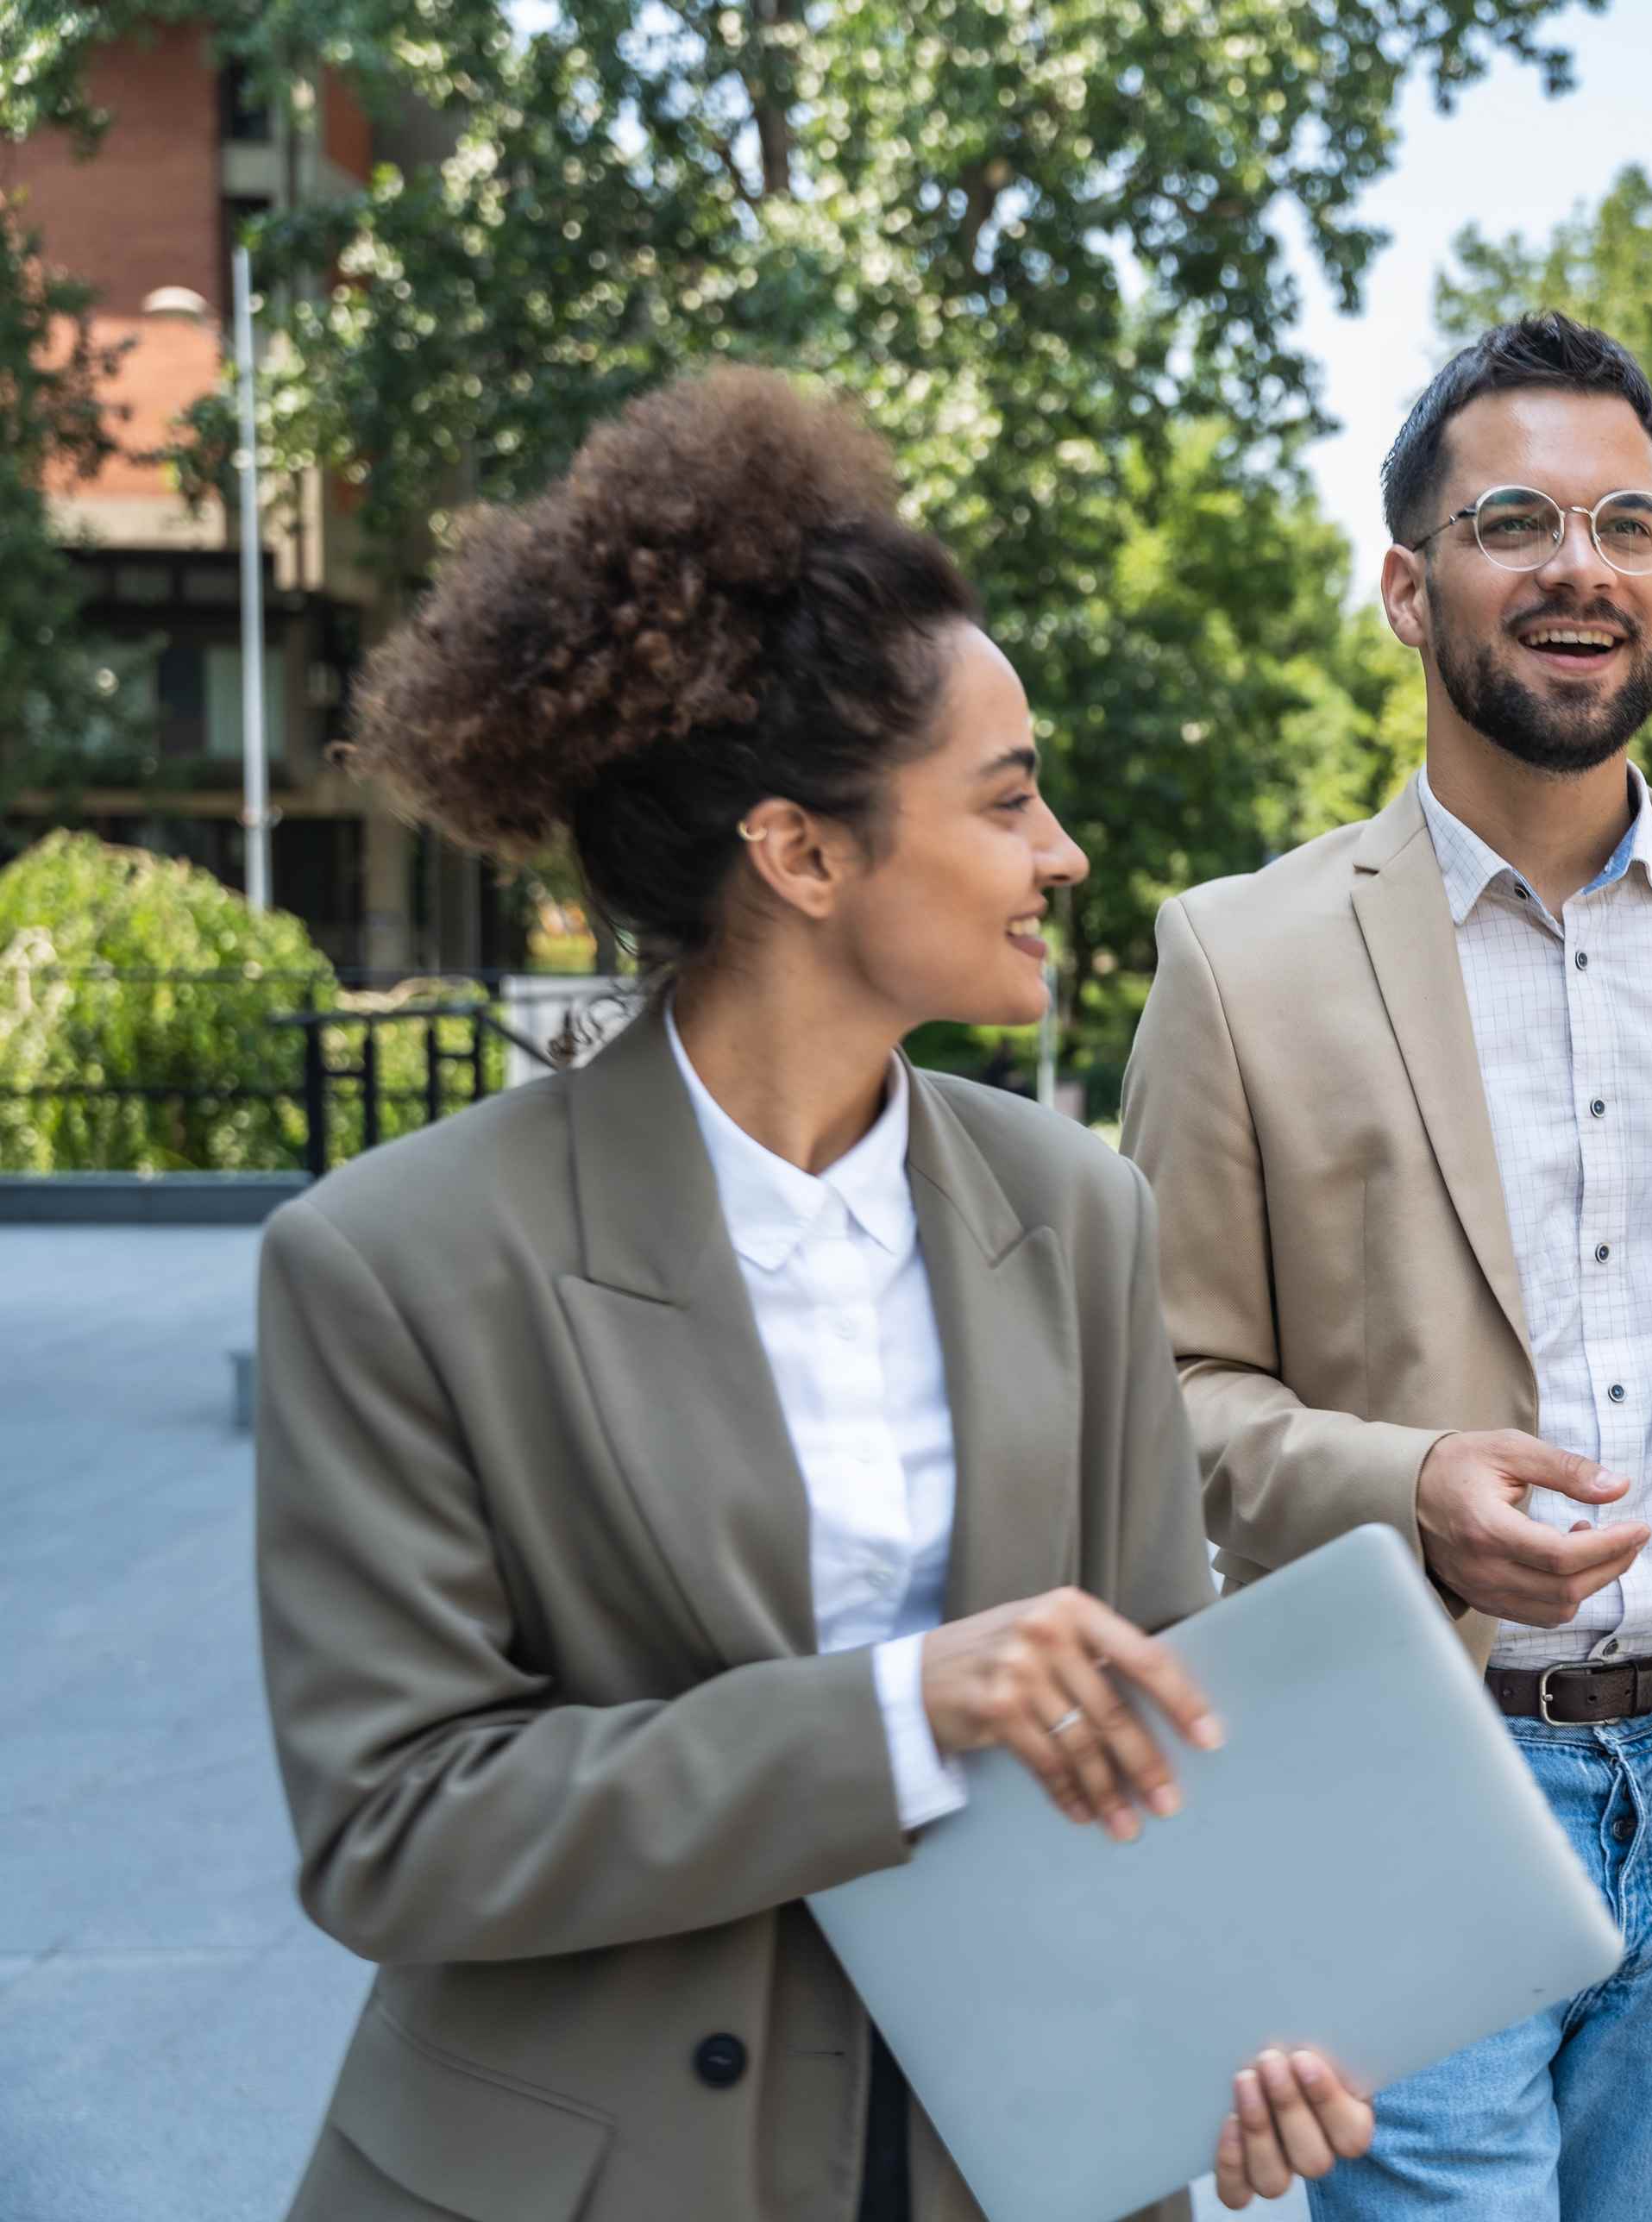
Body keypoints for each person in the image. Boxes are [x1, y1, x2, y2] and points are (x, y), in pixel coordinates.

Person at [252, 369, 1371, 2222]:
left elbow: (1159, 1728)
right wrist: (898, 1709)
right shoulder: (396, 1263)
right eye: (1008, 800)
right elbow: (395, 1832)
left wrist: (1238, 2031)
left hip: (1008, 2152)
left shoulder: (1076, 1210)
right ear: (800, 851)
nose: (1061, 852)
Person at [1121, 311, 1652, 2220]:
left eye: (1629, 524)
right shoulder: (1237, 960)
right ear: (1410, 590)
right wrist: (1406, 1482)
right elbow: (1161, 1399)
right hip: (1409, 1771)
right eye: (1518, 520)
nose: (1582, 566)